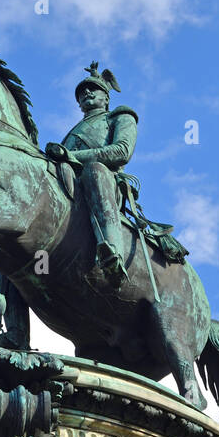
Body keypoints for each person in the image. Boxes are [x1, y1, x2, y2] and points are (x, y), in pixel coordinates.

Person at [45, 63, 138, 289]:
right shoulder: (72, 132)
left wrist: (71, 154)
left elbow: (122, 152)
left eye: (92, 90)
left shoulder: (120, 117)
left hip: (105, 183)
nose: (86, 93)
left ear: (106, 98)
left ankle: (112, 253)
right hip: (71, 184)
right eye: (81, 93)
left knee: (95, 169)